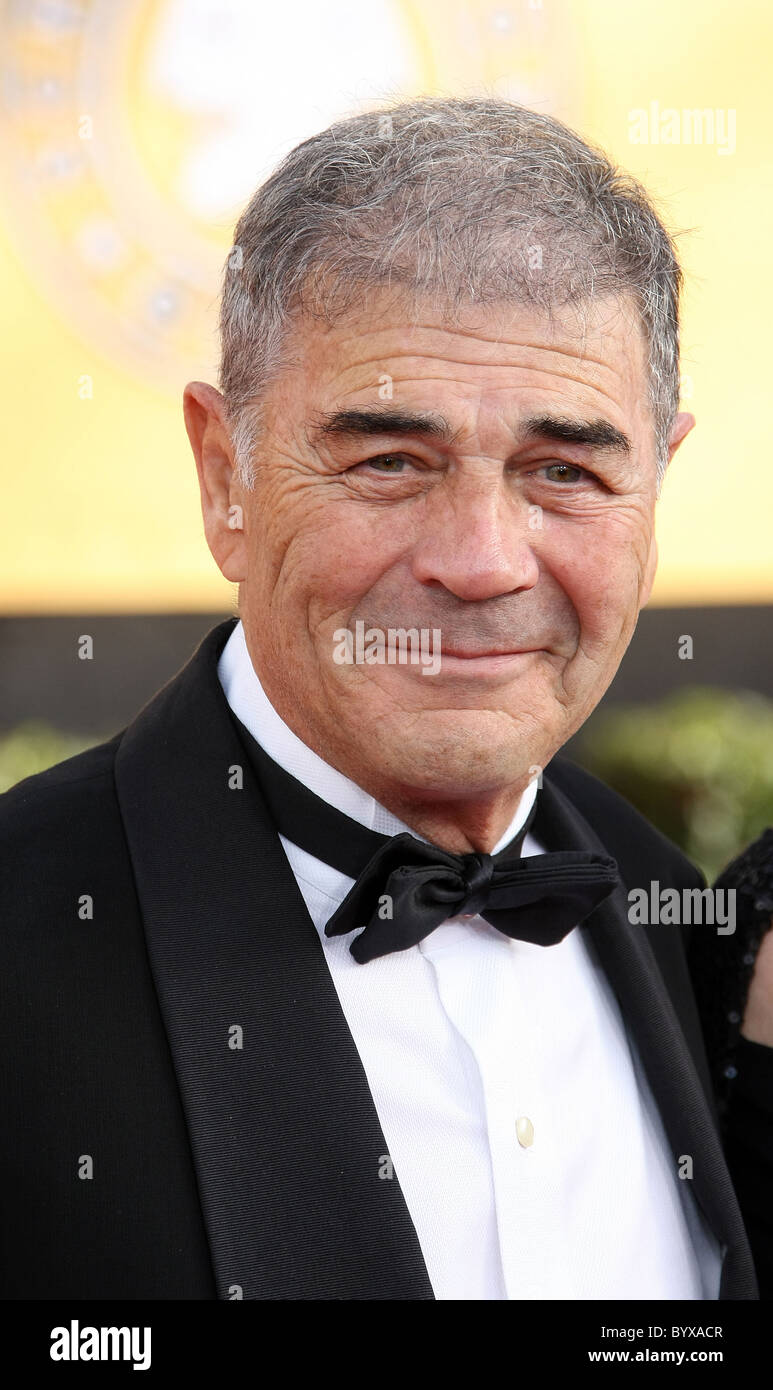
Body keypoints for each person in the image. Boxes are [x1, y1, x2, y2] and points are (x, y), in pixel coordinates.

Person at [1, 96, 771, 1301]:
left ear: (655, 486)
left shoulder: (702, 941)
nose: (479, 561)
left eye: (562, 470)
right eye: (388, 462)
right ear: (225, 479)